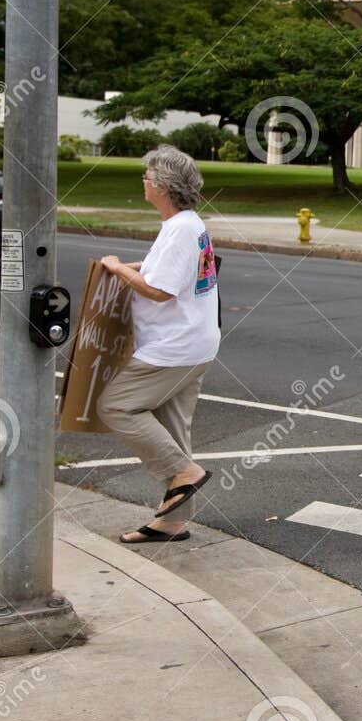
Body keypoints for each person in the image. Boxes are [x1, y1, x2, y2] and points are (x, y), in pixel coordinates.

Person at [99, 146, 218, 545]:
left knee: (116, 405)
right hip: (194, 343)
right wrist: (135, 267)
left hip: (174, 347)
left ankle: (186, 473)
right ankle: (173, 521)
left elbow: (161, 291)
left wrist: (116, 269)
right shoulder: (185, 224)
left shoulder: (181, 229)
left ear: (164, 186)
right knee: (173, 428)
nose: (143, 183)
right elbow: (169, 272)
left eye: (148, 178)